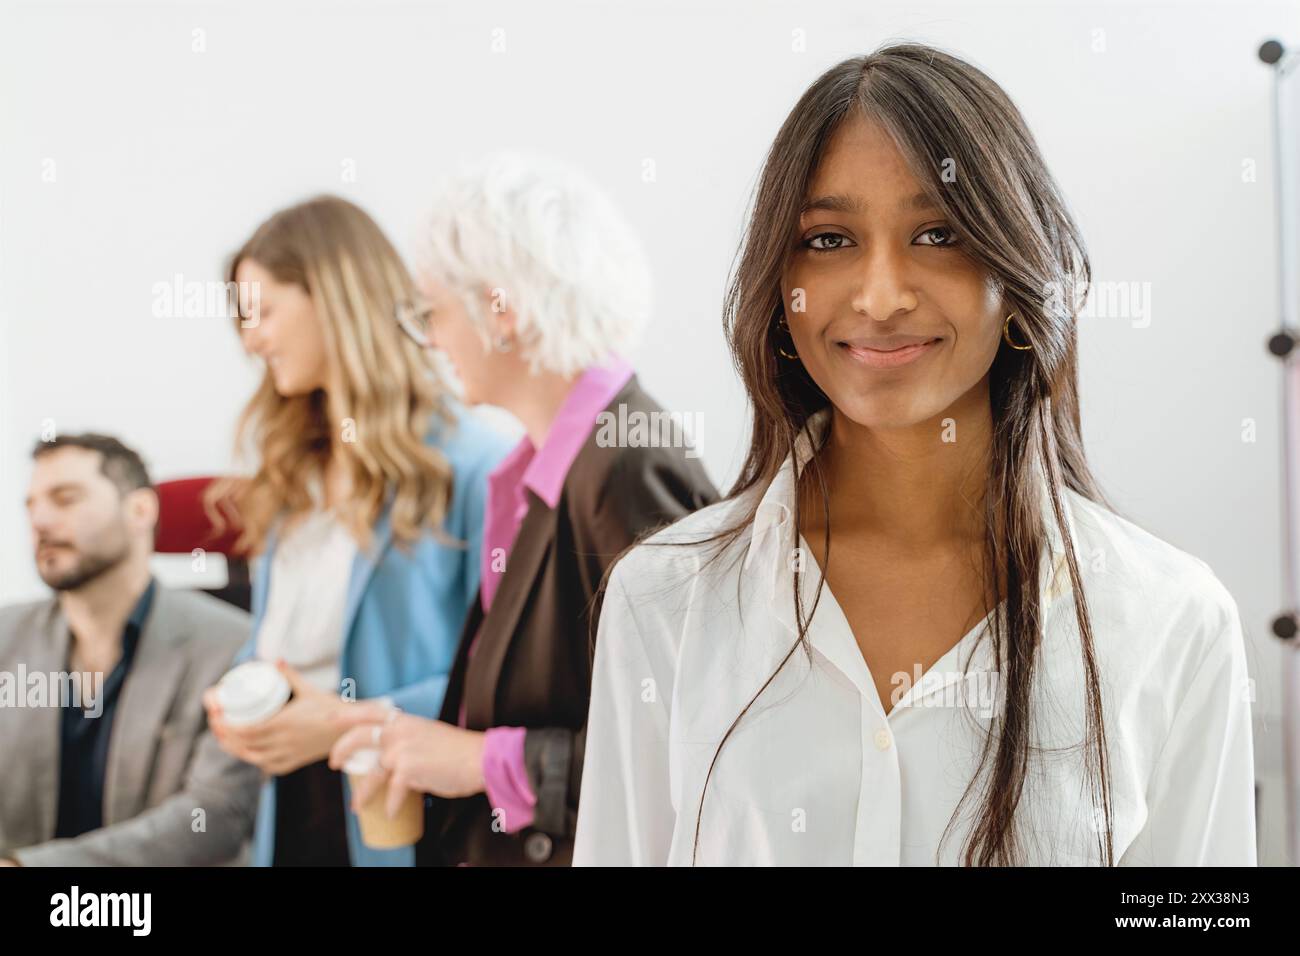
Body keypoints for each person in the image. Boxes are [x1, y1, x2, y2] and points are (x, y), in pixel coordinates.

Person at [572, 43, 1258, 866]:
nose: (882, 296)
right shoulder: (665, 600)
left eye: (938, 233)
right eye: (829, 240)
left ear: (1018, 274)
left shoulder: (1172, 621)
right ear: (779, 288)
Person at [329, 153, 719, 865]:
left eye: (431, 312)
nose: (430, 339)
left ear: (500, 311)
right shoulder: (543, 470)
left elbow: (692, 746)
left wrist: (478, 763)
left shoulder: (627, 464)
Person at [202, 195, 512, 866]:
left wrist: (348, 721)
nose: (250, 341)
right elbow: (284, 637)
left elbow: (505, 680)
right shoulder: (294, 469)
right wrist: (240, 692)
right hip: (293, 802)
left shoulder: (475, 463)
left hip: (403, 803)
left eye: (262, 312)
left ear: (333, 298)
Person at [0, 433, 258, 866]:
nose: (40, 520)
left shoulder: (233, 646)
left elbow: (215, 817)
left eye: (65, 499)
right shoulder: (7, 636)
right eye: (31, 506)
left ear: (140, 510)